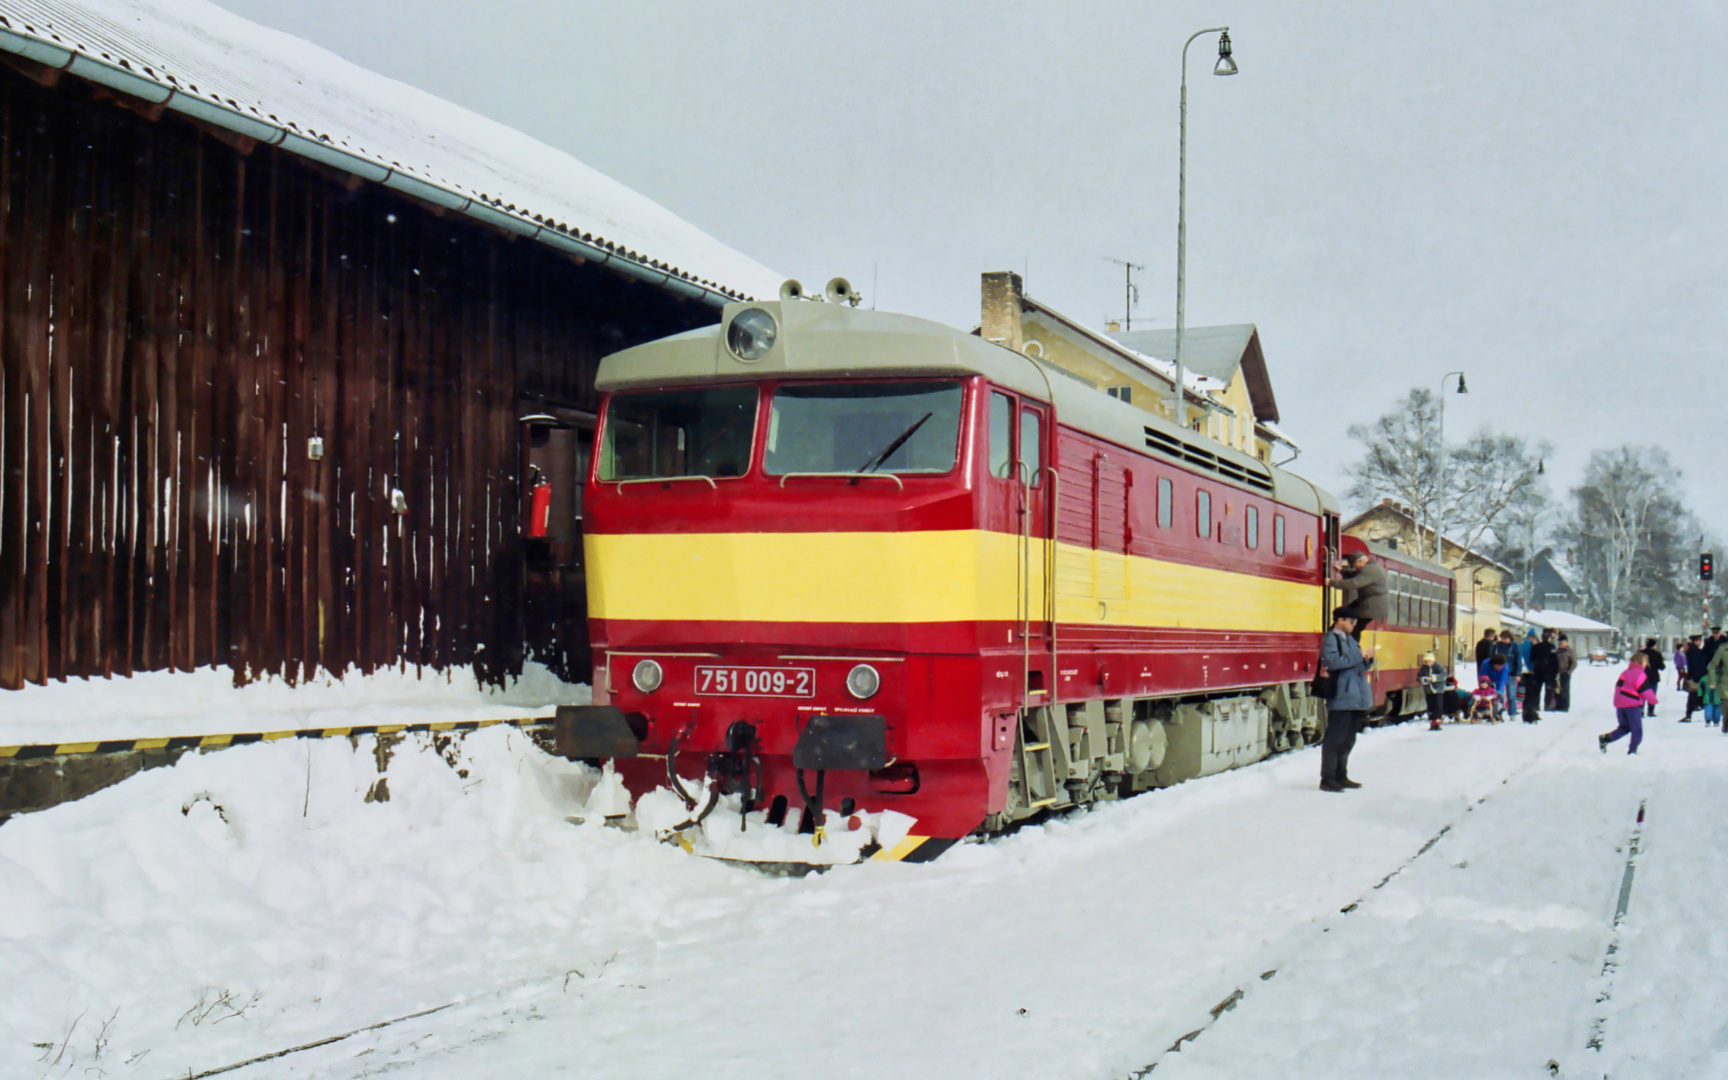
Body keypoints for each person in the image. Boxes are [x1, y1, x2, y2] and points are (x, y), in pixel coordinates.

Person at [1318, 606, 1376, 792]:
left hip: (1354, 695)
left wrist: (1367, 659)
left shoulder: (1349, 639)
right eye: (1351, 621)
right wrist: (1359, 655)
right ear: (1340, 620)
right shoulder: (1330, 639)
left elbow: (1356, 663)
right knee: (1335, 739)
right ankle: (1327, 778)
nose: (1354, 625)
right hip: (1341, 694)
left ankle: (1341, 776)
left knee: (1348, 739)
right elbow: (1334, 663)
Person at [1600, 653, 1658, 755]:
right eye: (1645, 662)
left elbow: (1618, 687)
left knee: (1624, 727)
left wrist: (1618, 701)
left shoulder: (1625, 673)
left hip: (1620, 706)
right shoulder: (1640, 674)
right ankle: (1632, 751)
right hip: (1633, 706)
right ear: (1641, 662)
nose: (1646, 664)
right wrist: (1653, 700)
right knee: (1637, 730)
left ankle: (1607, 738)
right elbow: (1644, 690)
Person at [1329, 553, 1388, 641]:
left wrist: (1331, 583)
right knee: (1346, 616)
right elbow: (1357, 574)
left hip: (1370, 606)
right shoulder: (1373, 566)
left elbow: (1354, 583)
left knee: (1354, 628)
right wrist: (1342, 571)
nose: (1355, 568)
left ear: (1360, 562)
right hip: (1367, 602)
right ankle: (1344, 643)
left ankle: (1352, 650)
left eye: (1355, 566)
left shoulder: (1370, 569)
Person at [1529, 629, 1558, 718]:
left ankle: (1536, 705)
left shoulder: (1536, 647)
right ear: (1549, 638)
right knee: (1548, 689)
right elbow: (1555, 660)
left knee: (1537, 689)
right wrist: (1555, 671)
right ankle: (1547, 705)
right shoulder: (1552, 647)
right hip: (1549, 671)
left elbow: (1532, 658)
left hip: (1538, 670)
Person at [1682, 634, 1708, 722]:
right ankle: (1691, 712)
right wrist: (1698, 676)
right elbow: (1696, 665)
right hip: (1696, 677)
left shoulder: (1693, 650)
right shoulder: (1694, 651)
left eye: (1700, 640)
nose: (1700, 642)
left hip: (1694, 676)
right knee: (1694, 695)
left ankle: (1690, 713)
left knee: (1693, 696)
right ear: (1694, 641)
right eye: (1698, 640)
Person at [1418, 652, 1447, 730]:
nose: (1428, 663)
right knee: (1430, 705)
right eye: (1426, 662)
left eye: (1429, 661)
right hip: (1428, 690)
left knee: (1438, 704)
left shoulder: (1438, 667)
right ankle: (1432, 721)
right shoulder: (1423, 668)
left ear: (1433, 661)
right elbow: (1418, 677)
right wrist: (1423, 679)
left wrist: (1434, 678)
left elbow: (1444, 675)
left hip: (1438, 690)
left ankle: (1437, 720)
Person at [1638, 638, 1665, 717]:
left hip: (1641, 677)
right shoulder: (1657, 654)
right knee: (1652, 694)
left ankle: (1640, 710)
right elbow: (1662, 667)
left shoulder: (1641, 654)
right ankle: (1650, 711)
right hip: (1653, 677)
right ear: (1653, 645)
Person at [1553, 633, 1577, 712]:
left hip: (1565, 673)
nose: (1560, 643)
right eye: (1559, 642)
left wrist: (1569, 671)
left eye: (1562, 642)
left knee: (1565, 689)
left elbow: (1574, 663)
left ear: (1566, 642)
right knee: (1557, 690)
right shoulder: (1557, 651)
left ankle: (1565, 706)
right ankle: (1558, 705)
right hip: (1557, 673)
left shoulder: (1570, 651)